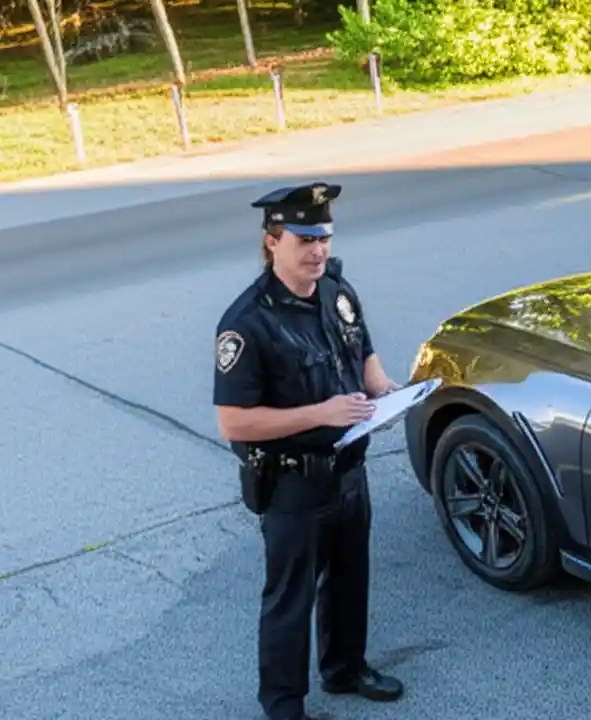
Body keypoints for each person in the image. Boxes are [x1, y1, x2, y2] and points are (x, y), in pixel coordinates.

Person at [212, 181, 404, 720]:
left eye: (324, 236)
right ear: (273, 240)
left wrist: (387, 392)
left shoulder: (337, 292)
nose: (318, 249)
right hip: (292, 484)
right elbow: (234, 420)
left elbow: (363, 356)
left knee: (349, 578)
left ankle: (345, 669)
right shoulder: (246, 323)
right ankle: (283, 706)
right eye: (304, 239)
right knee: (289, 600)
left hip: (347, 471)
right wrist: (319, 415)